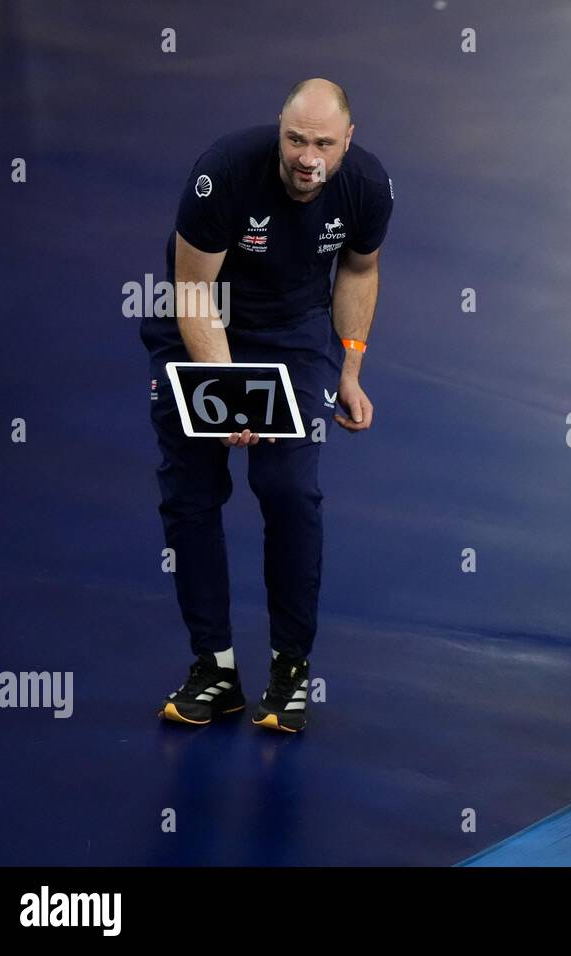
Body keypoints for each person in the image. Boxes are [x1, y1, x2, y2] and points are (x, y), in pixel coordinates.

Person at [141, 78, 393, 732]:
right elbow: (193, 291)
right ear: (280, 133)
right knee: (190, 493)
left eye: (324, 144)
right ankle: (215, 668)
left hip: (292, 333)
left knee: (288, 490)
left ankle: (290, 669)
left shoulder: (366, 186)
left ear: (348, 141)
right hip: (200, 322)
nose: (308, 157)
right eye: (296, 140)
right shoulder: (221, 175)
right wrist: (228, 395)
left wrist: (351, 367)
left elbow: (359, 272)